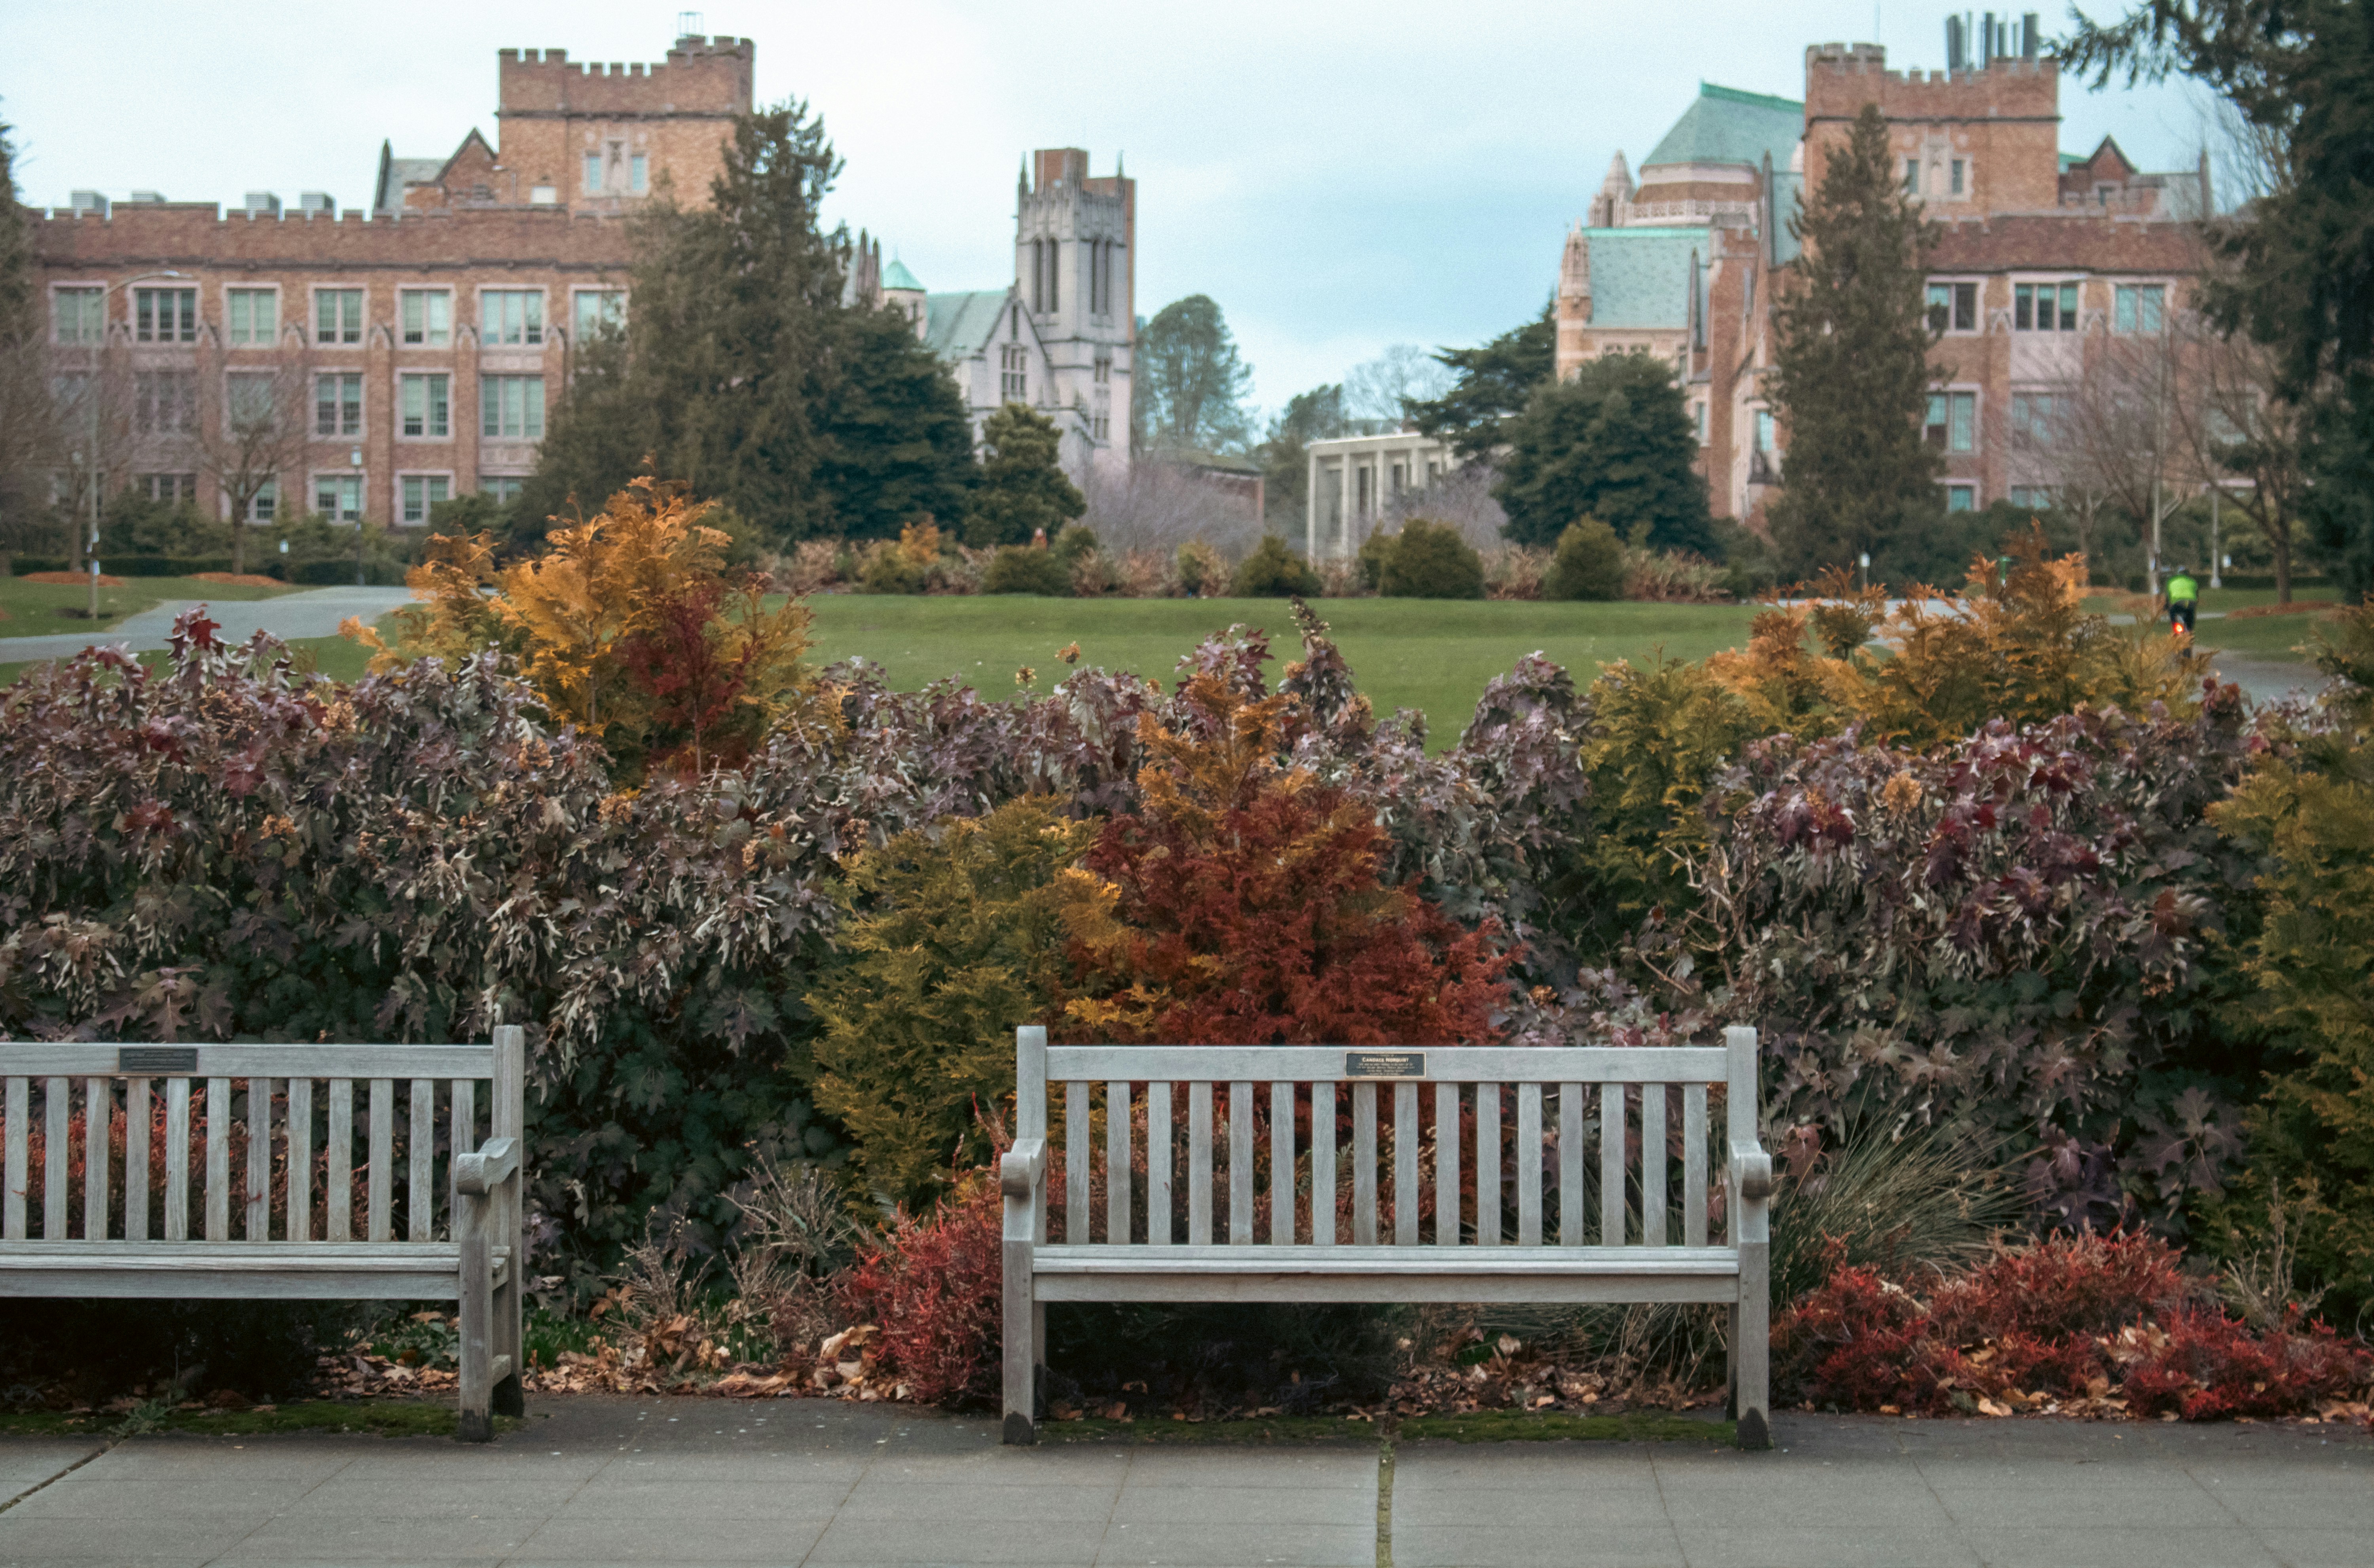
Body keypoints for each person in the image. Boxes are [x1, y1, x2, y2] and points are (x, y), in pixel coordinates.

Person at [2164, 566, 2200, 637]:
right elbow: (2197, 595)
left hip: (2178, 603)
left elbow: (2168, 596)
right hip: (2191, 603)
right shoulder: (2193, 582)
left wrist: (2166, 605)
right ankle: (2190, 631)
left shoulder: (2171, 581)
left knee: (2172, 613)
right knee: (2190, 617)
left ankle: (2176, 630)